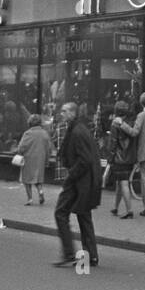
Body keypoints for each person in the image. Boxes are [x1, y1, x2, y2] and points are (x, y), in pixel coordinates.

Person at [52, 102, 99, 267]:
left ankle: (69, 253)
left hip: (78, 181)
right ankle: (91, 255)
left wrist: (72, 175)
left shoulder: (77, 131)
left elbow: (85, 159)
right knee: (83, 215)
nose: (61, 114)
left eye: (64, 111)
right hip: (85, 181)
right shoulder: (79, 128)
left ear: (72, 113)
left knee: (60, 212)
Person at [107, 100, 137, 219]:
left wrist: (110, 157)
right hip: (129, 157)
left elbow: (113, 142)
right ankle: (115, 207)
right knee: (119, 183)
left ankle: (129, 210)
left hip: (119, 158)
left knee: (123, 183)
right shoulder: (131, 122)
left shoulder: (115, 123)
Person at [15, 114, 51, 205]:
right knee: (38, 179)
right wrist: (46, 160)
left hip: (28, 159)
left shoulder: (28, 133)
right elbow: (48, 148)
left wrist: (18, 151)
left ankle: (30, 199)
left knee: (27, 180)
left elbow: (22, 147)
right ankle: (41, 191)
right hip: (40, 160)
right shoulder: (44, 133)